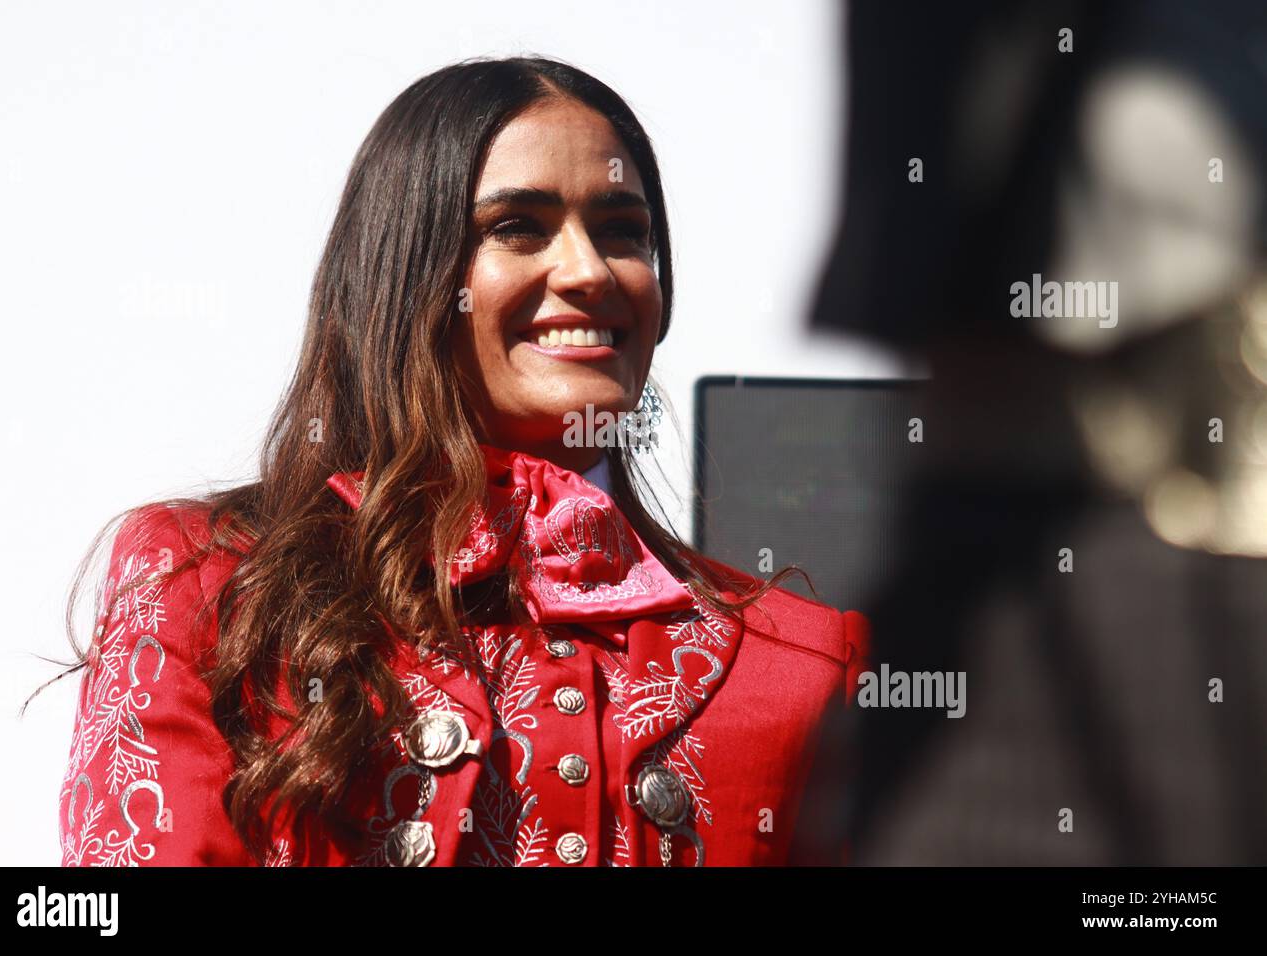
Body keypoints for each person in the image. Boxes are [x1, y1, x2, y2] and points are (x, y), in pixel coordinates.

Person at [47, 55, 869, 867]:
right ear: (406, 274)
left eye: (624, 230)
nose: (588, 270)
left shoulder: (805, 663)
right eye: (518, 226)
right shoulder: (210, 589)